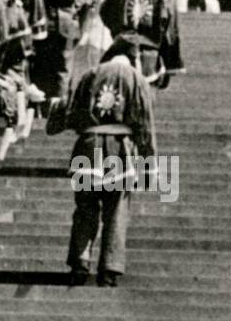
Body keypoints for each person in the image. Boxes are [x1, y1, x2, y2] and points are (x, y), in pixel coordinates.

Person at [50, 33, 157, 288]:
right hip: (120, 149)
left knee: (85, 207)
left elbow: (73, 115)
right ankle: (109, 268)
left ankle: (79, 262)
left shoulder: (90, 74)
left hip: (88, 147)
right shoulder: (136, 79)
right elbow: (145, 123)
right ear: (134, 58)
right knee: (116, 209)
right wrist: (148, 162)